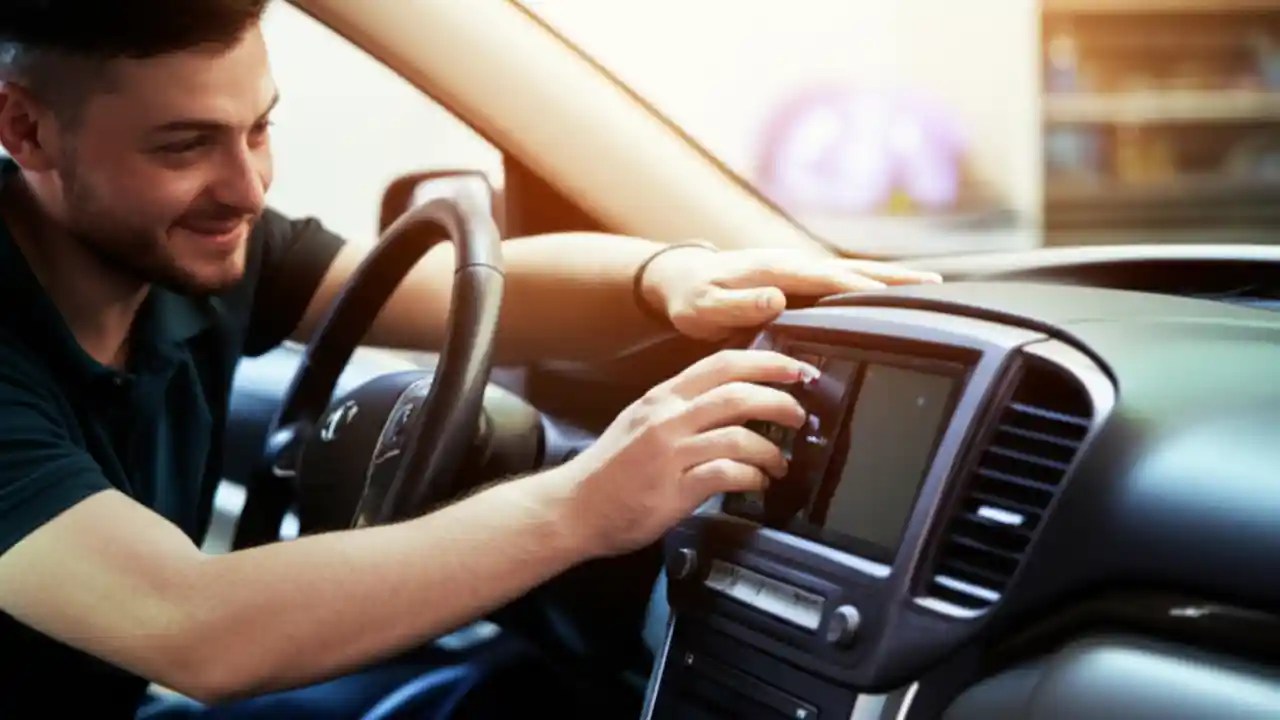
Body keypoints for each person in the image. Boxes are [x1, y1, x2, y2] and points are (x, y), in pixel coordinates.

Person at [0, 1, 943, 718]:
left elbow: (461, 287)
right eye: (185, 147)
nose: (248, 187)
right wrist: (587, 504)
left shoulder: (188, 256)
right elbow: (193, 627)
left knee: (496, 695)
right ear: (27, 130)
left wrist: (672, 277)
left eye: (260, 128)